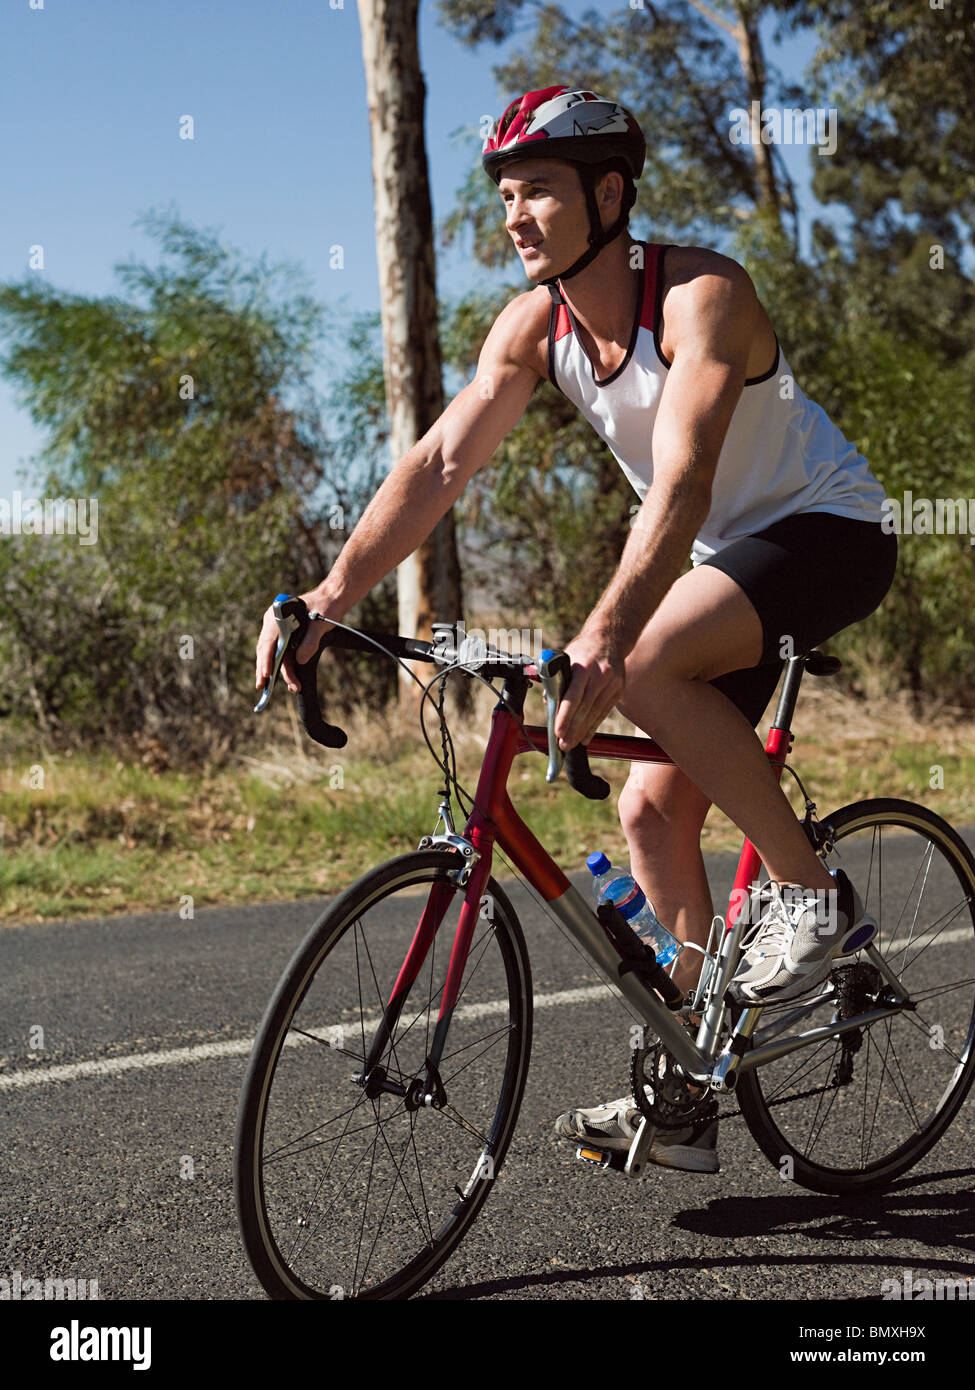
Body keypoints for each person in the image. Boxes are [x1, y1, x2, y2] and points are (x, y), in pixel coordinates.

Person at [255, 86, 898, 1174]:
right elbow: (440, 464)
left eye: (537, 190)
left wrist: (604, 634)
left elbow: (685, 484)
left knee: (640, 662)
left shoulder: (702, 297)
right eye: (505, 194)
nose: (514, 214)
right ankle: (696, 1087)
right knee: (647, 816)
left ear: (609, 194)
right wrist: (330, 597)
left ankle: (810, 895)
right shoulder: (534, 327)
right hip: (718, 565)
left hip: (826, 529)